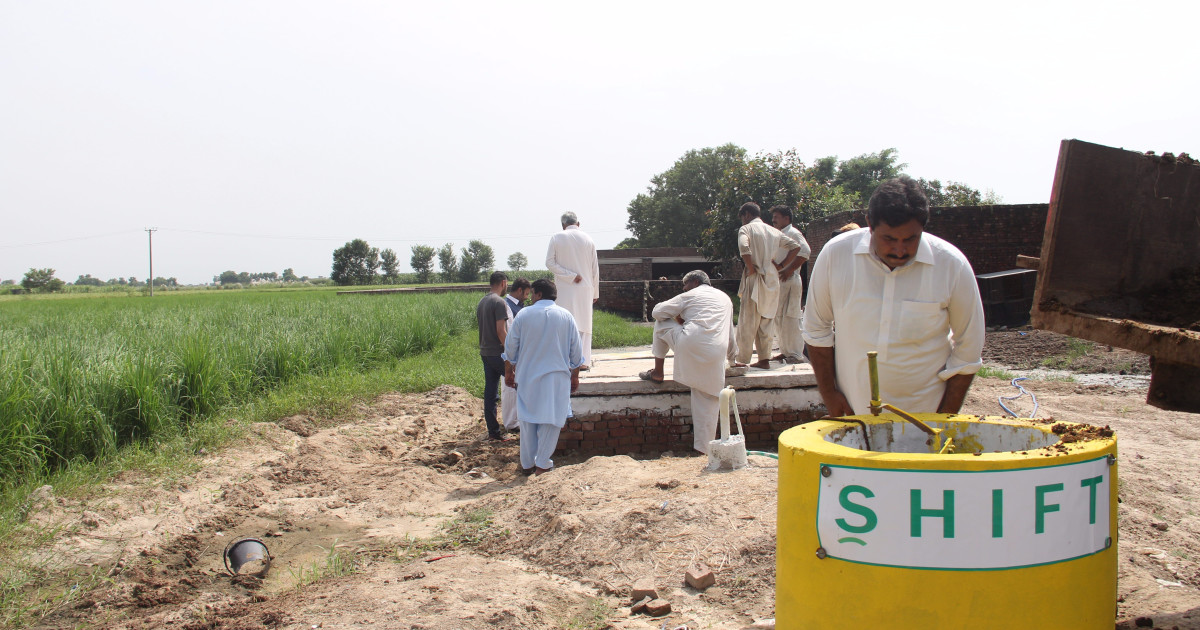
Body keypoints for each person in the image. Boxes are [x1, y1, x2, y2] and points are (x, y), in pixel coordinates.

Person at [802, 176, 985, 417]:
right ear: (869, 223)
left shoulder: (952, 265)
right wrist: (829, 394)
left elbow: (969, 347)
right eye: (889, 239)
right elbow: (817, 330)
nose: (900, 250)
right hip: (853, 415)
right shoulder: (836, 255)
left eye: (910, 239)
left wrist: (944, 416)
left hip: (926, 417)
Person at [637, 270, 738, 454]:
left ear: (694, 282)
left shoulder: (689, 295)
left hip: (690, 344)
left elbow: (657, 312)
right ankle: (705, 449)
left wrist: (678, 315)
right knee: (707, 397)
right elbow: (730, 333)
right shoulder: (725, 298)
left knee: (661, 323)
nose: (683, 288)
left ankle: (657, 372)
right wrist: (732, 359)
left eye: (685, 284)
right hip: (717, 352)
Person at [503, 278, 584, 475]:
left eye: (532, 294)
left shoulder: (524, 315)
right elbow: (576, 352)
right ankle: (542, 465)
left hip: (528, 376)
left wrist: (508, 371)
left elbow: (511, 347)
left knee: (528, 421)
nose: (530, 298)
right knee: (552, 420)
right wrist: (575, 376)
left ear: (538, 294)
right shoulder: (566, 316)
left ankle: (527, 465)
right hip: (556, 379)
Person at [735, 202, 802, 369]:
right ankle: (764, 359)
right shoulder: (773, 231)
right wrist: (781, 266)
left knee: (748, 320)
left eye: (742, 217)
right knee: (766, 320)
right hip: (772, 278)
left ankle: (742, 360)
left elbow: (744, 247)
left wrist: (751, 268)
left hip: (755, 276)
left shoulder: (746, 229)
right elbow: (795, 247)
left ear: (747, 215)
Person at [546, 211, 599, 369]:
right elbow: (595, 268)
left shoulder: (556, 237)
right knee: (584, 324)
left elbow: (549, 263)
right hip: (586, 288)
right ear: (578, 223)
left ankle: (566, 360)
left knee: (564, 323)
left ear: (563, 225)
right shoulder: (588, 238)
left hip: (564, 288)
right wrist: (595, 292)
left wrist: (569, 276)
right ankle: (583, 361)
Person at [768, 205, 811, 364]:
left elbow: (805, 252)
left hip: (790, 279)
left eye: (777, 216)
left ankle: (796, 354)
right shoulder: (779, 234)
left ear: (786, 218)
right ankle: (785, 351)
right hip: (780, 281)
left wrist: (788, 269)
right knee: (779, 317)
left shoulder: (793, 233)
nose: (774, 220)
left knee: (791, 317)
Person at [475, 271, 512, 441]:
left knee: (490, 393)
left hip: (485, 352)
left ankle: (493, 432)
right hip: (498, 353)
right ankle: (531, 425)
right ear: (503, 283)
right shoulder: (499, 302)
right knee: (521, 383)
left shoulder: (482, 301)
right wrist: (511, 353)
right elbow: (501, 331)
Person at [500, 277, 532, 432]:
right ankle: (511, 422)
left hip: (518, 352)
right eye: (526, 294)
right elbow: (509, 331)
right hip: (511, 352)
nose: (527, 297)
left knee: (517, 386)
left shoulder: (518, 306)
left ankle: (516, 418)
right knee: (510, 388)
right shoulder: (507, 306)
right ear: (519, 290)